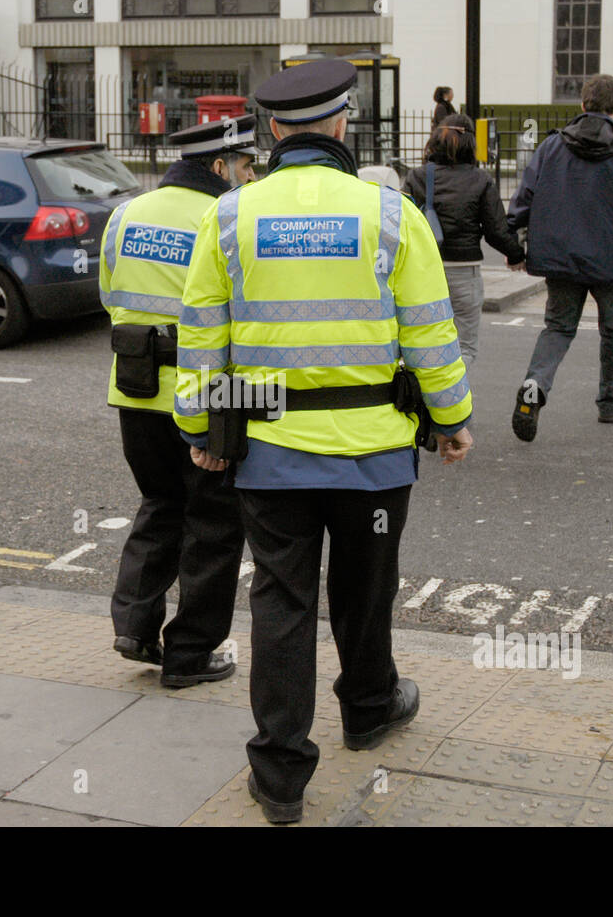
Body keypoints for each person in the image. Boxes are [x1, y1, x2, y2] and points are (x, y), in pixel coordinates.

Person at [176, 59, 474, 824]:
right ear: (344, 125)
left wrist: (202, 430)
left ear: (272, 130)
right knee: (366, 592)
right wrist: (451, 418)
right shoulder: (389, 213)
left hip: (271, 457)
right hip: (374, 458)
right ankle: (370, 707)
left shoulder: (231, 215)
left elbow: (201, 337)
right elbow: (431, 332)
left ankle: (279, 776)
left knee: (281, 601)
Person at [99, 115, 258, 687]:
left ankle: (134, 627)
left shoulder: (125, 214)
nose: (248, 177)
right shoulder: (225, 220)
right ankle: (189, 656)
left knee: (159, 502)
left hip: (135, 389)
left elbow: (110, 295)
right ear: (218, 166)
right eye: (243, 166)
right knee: (214, 526)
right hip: (207, 393)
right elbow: (242, 317)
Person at [506, 73, 613, 441]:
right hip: (610, 263)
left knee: (558, 328)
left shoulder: (550, 147)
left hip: (560, 259)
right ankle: (612, 401)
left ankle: (534, 387)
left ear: (582, 104)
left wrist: (513, 244)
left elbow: (523, 198)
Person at [401, 114, 526, 367]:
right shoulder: (481, 180)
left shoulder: (416, 177)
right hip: (463, 273)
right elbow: (496, 231)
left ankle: (420, 398)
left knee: (420, 342)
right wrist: (517, 256)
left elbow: (399, 223)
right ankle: (449, 398)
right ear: (471, 144)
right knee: (465, 347)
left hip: (422, 272)